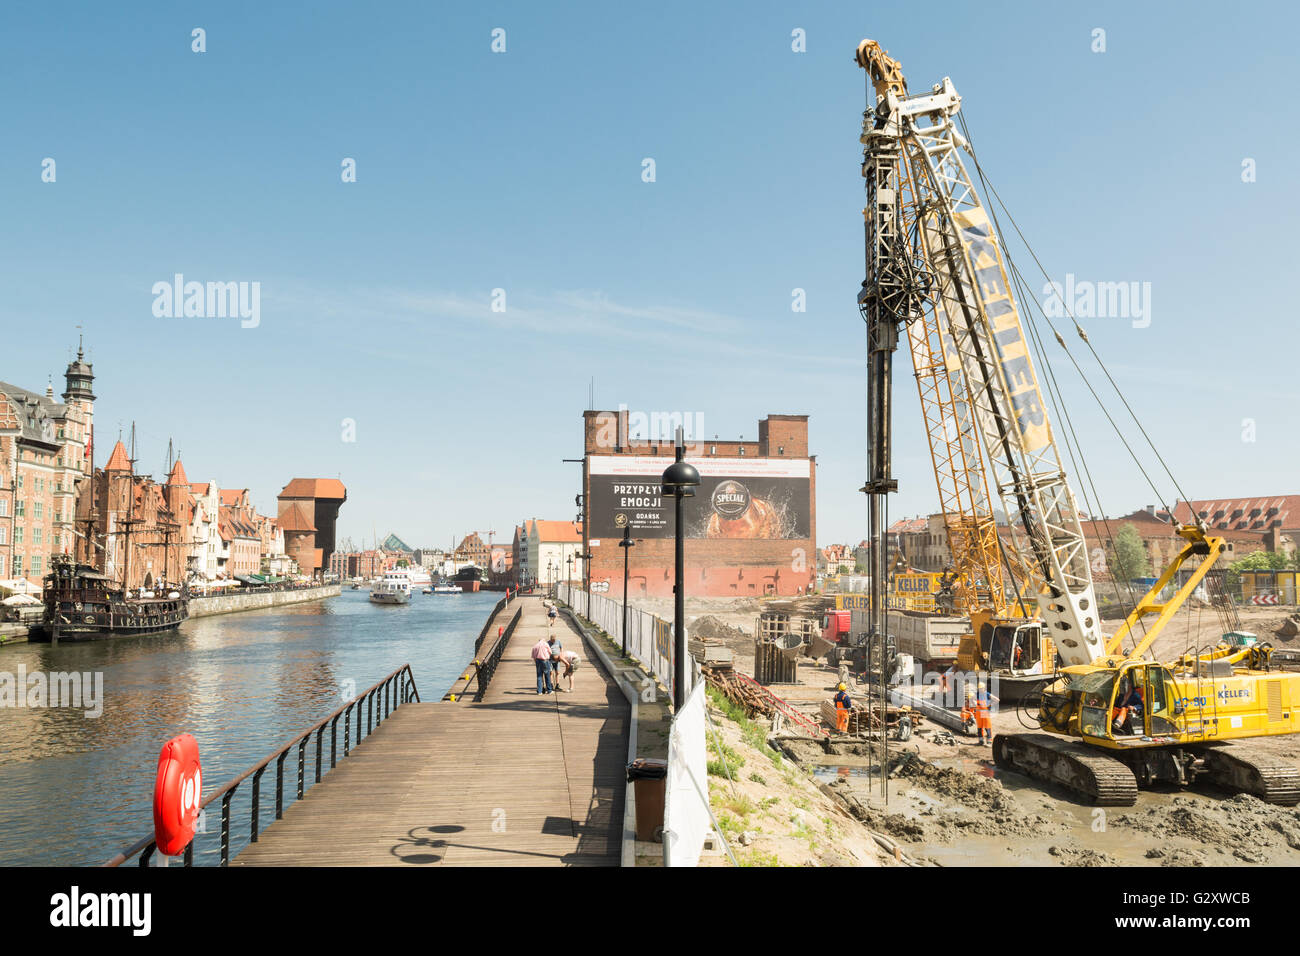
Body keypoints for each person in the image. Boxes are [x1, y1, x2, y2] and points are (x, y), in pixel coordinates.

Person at [974, 682, 992, 746]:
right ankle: (981, 741)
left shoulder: (987, 694)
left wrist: (989, 705)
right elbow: (973, 699)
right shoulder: (977, 694)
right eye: (979, 688)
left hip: (985, 712)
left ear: (984, 688)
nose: (980, 689)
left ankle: (989, 742)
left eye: (981, 688)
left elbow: (997, 700)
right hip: (978, 713)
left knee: (987, 727)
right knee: (979, 727)